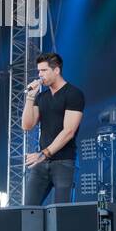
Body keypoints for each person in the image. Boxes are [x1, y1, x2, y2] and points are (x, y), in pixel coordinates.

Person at [20, 52, 85, 205]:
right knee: (28, 209)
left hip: (64, 161)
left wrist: (43, 154)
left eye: (44, 70)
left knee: (62, 213)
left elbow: (68, 131)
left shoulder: (74, 94)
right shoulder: (42, 97)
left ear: (56, 70)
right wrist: (30, 97)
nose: (39, 75)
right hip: (42, 163)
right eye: (38, 71)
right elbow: (27, 125)